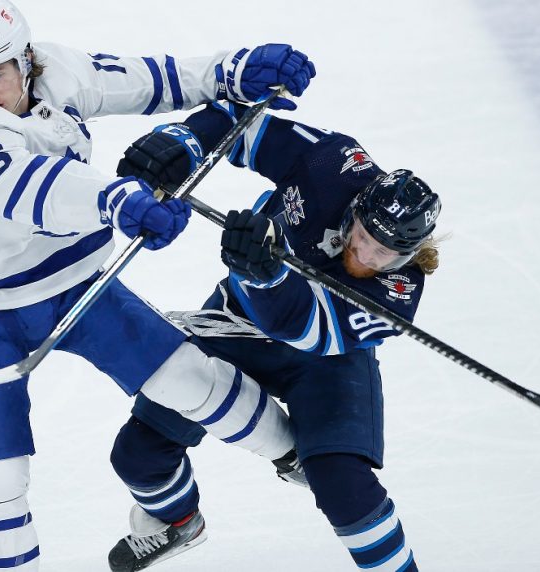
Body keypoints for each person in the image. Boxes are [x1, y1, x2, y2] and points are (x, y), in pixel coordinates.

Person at [0, 2, 317, 569]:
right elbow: (29, 188)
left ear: (25, 61)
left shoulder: (60, 71)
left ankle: (300, 458)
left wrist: (229, 72)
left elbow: (148, 80)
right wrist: (114, 200)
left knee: (191, 379)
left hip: (74, 282)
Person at [105, 102, 441, 571]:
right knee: (137, 455)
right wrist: (184, 143)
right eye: (362, 235)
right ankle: (178, 522)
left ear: (409, 254)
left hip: (326, 362)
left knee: (342, 486)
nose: (363, 255)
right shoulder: (334, 165)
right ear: (356, 207)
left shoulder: (399, 292)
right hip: (235, 323)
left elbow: (304, 329)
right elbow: (244, 125)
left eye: (383, 253)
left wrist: (264, 275)